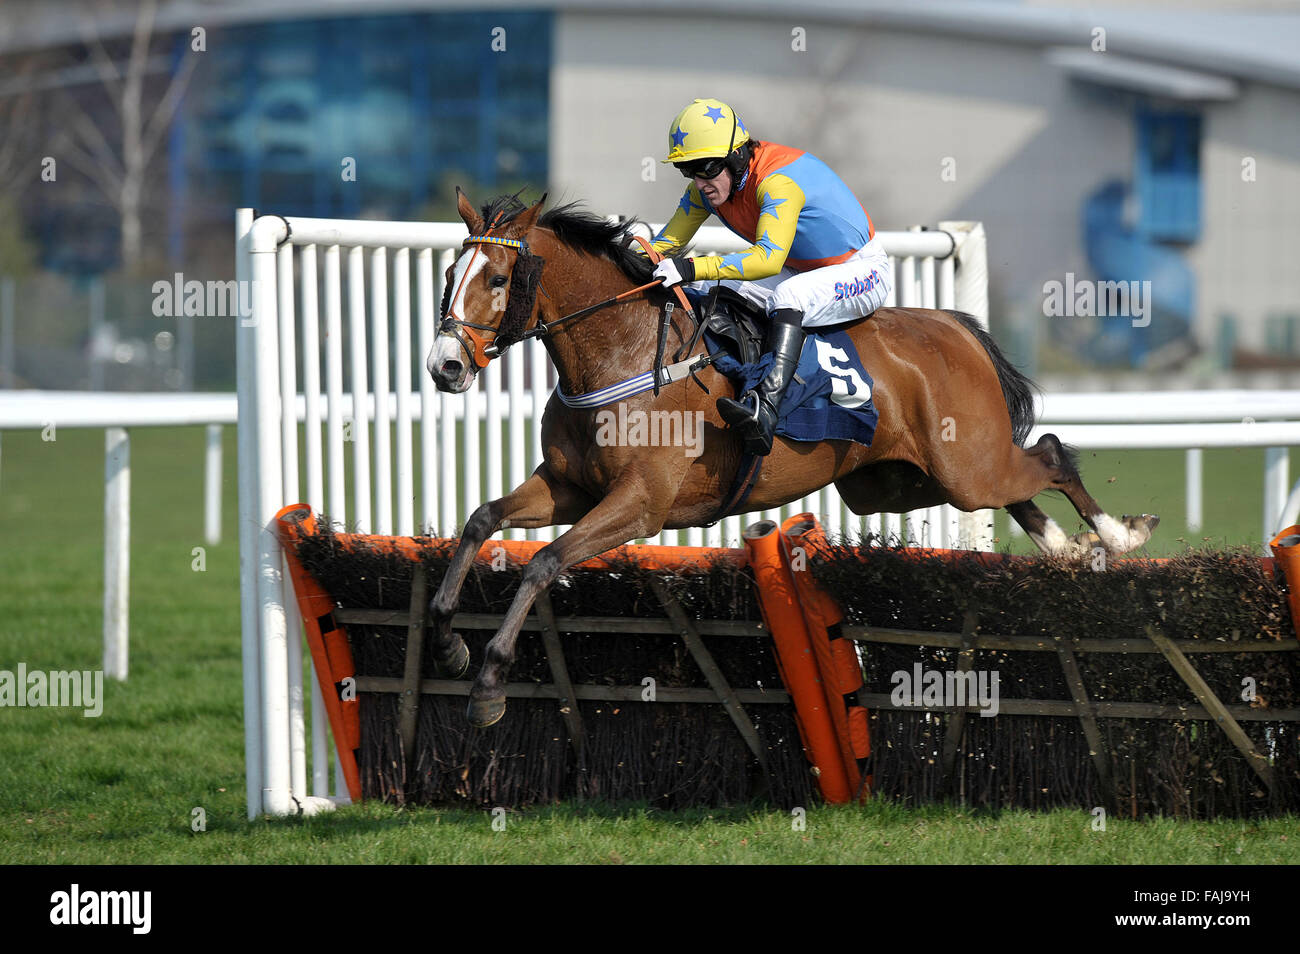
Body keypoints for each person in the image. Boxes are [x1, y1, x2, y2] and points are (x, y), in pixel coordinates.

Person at [647, 98, 892, 456]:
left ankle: (766, 408)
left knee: (788, 296)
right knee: (707, 287)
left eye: (707, 168)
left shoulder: (777, 183)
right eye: (689, 171)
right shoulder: (709, 188)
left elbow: (767, 260)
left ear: (736, 157)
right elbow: (667, 243)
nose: (700, 183)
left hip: (861, 270)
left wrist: (691, 266)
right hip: (804, 269)